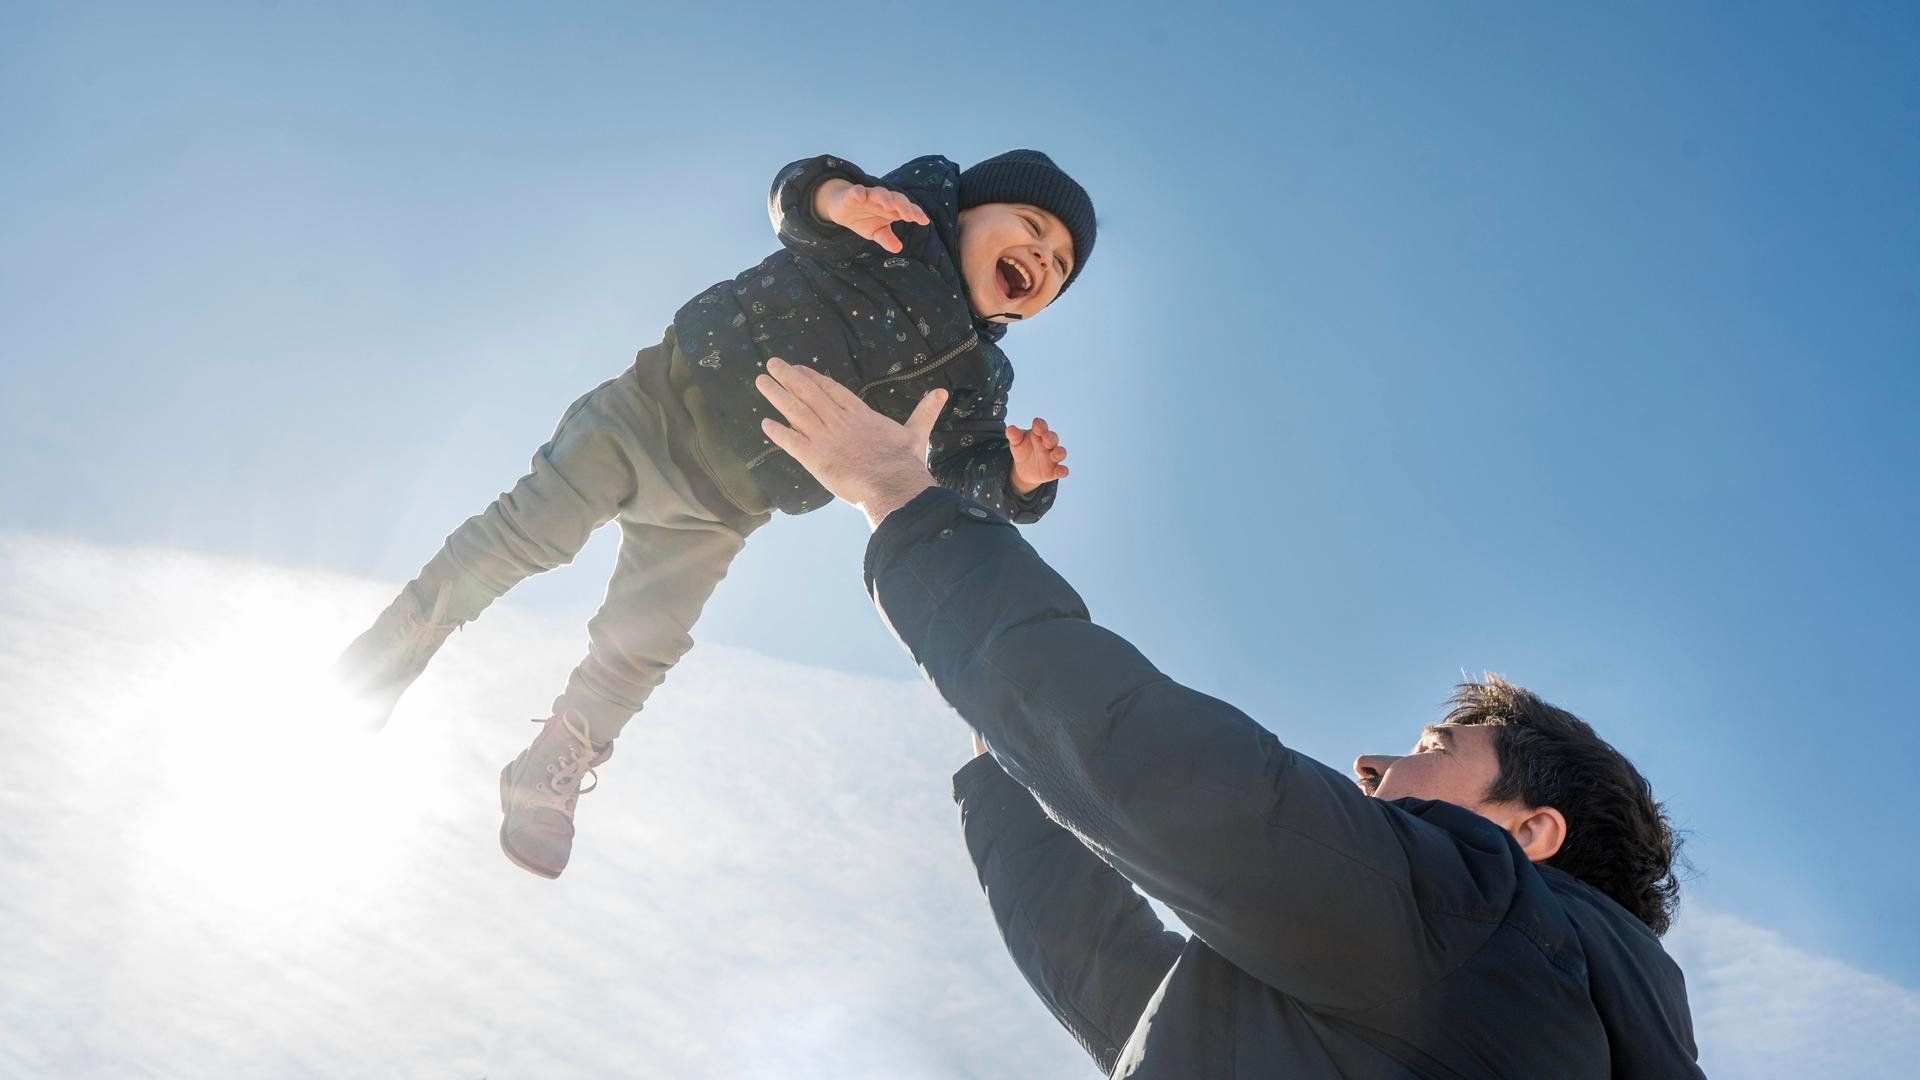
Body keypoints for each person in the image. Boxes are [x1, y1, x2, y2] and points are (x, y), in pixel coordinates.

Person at [751, 359, 1706, 1077]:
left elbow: (1161, 769)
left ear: (1531, 832)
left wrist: (901, 499)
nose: (1370, 765)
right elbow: (1117, 984)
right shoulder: (1496, 1001)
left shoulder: (1479, 920)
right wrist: (1009, 753)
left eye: (1433, 748)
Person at [335, 150, 1093, 878]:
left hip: (724, 505)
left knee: (646, 640)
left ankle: (549, 767)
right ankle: (399, 642)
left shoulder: (978, 378)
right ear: (965, 209)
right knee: (529, 533)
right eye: (1032, 226)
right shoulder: (892, 224)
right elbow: (798, 198)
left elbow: (958, 476)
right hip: (650, 410)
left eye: (1060, 266)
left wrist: (1018, 479)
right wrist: (838, 199)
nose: (1043, 257)